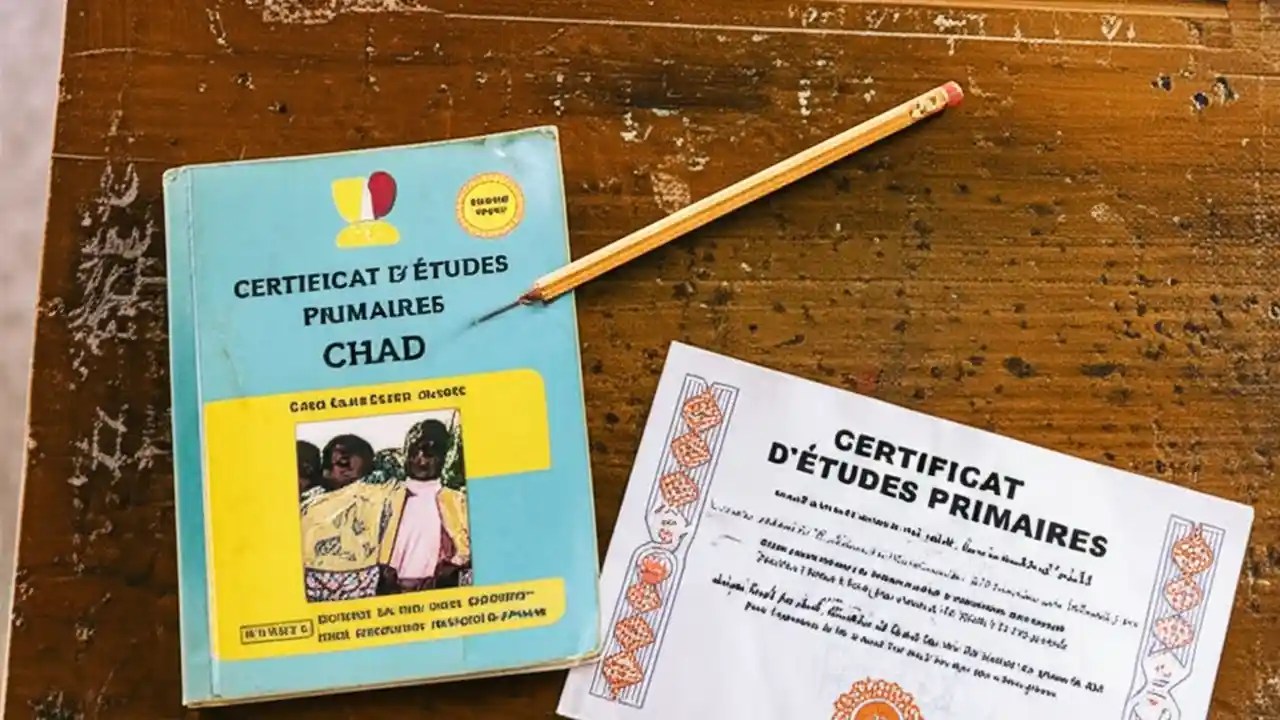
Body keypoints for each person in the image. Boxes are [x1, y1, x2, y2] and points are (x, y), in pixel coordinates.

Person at [384, 419, 472, 592]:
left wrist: (453, 566)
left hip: (437, 588)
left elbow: (470, 546)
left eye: (430, 454)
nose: (421, 461)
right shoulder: (386, 496)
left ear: (444, 457)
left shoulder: (458, 501)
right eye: (414, 452)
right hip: (390, 588)